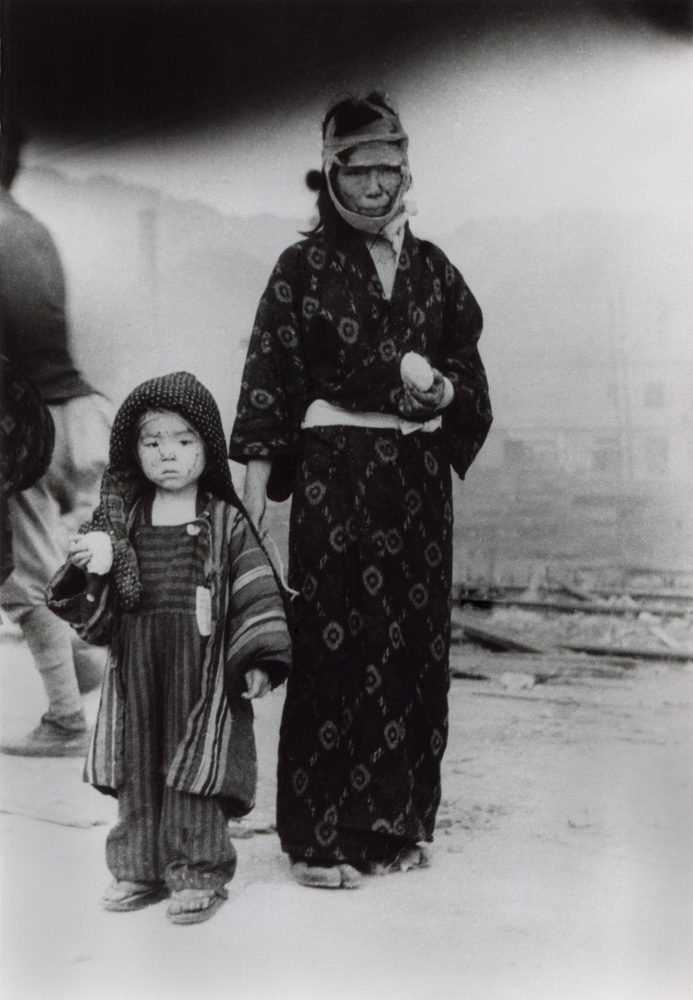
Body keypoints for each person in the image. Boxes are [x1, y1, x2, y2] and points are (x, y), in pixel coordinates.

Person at [229, 93, 492, 888]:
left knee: (414, 648)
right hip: (333, 485)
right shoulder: (300, 269)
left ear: (405, 167)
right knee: (334, 645)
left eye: (390, 169)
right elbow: (267, 391)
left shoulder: (437, 270)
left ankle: (398, 823)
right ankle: (316, 841)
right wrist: (255, 517)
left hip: (414, 490)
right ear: (331, 174)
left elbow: (469, 380)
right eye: (360, 170)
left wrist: (443, 395)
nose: (377, 186)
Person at [47, 371, 292, 923]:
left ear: (208, 446)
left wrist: (258, 657)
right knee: (138, 763)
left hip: (201, 669)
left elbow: (255, 587)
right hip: (137, 663)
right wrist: (90, 564)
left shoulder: (224, 520)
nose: (168, 456)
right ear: (133, 450)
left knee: (196, 766)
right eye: (152, 442)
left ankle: (198, 871)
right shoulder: (123, 519)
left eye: (184, 441)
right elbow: (87, 595)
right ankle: (138, 866)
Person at [0, 119, 111, 756]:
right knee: (25, 567)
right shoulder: (29, 227)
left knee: (19, 576)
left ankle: (68, 721)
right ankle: (82, 666)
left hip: (23, 422)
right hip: (65, 410)